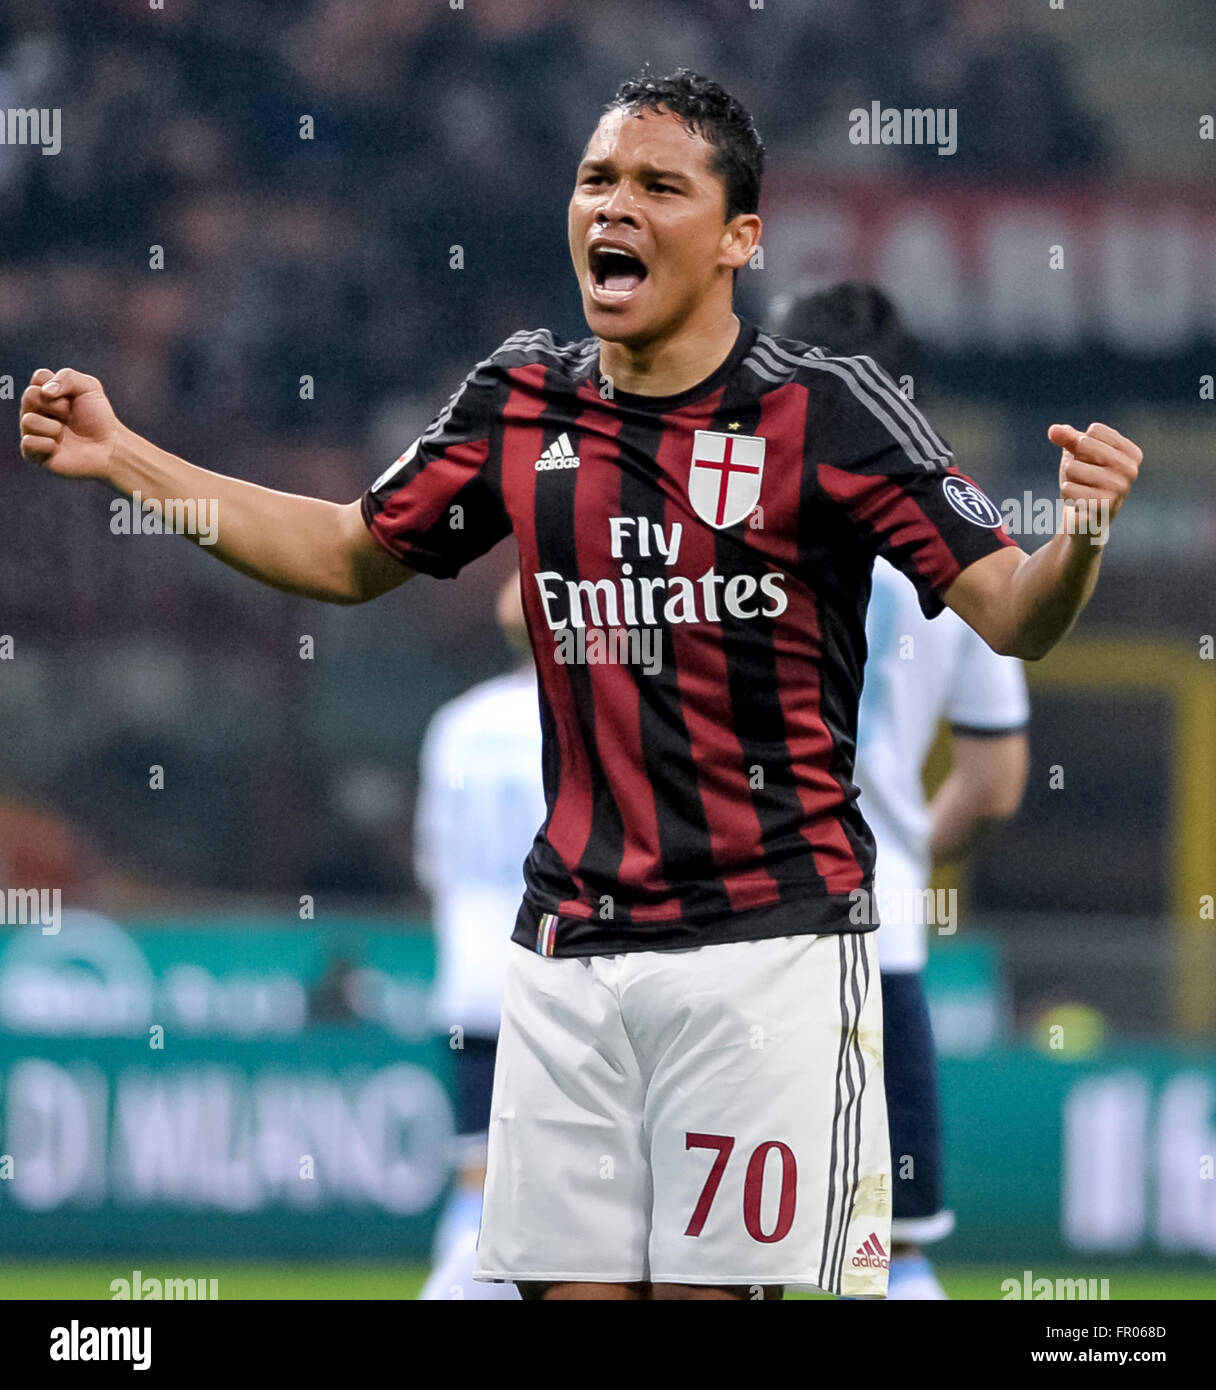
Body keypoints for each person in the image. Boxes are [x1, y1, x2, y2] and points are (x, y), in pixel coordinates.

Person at [18, 68, 1142, 1301]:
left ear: (736, 238)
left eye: (661, 186)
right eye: (598, 180)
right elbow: (343, 554)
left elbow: (1013, 617)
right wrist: (127, 457)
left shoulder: (828, 415)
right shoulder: (521, 399)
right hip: (565, 952)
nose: (616, 206)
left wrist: (1075, 541)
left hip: (763, 948)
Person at [777, 283, 1030, 1300]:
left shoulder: (743, 508)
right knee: (892, 1249)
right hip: (879, 934)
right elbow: (998, 778)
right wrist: (906, 839)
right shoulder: (953, 535)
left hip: (731, 929)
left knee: (707, 1248)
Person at [416, 576, 542, 1301]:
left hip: (468, 979)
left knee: (477, 1173)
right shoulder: (585, 717)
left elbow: (434, 862)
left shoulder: (457, 723)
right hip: (551, 976)